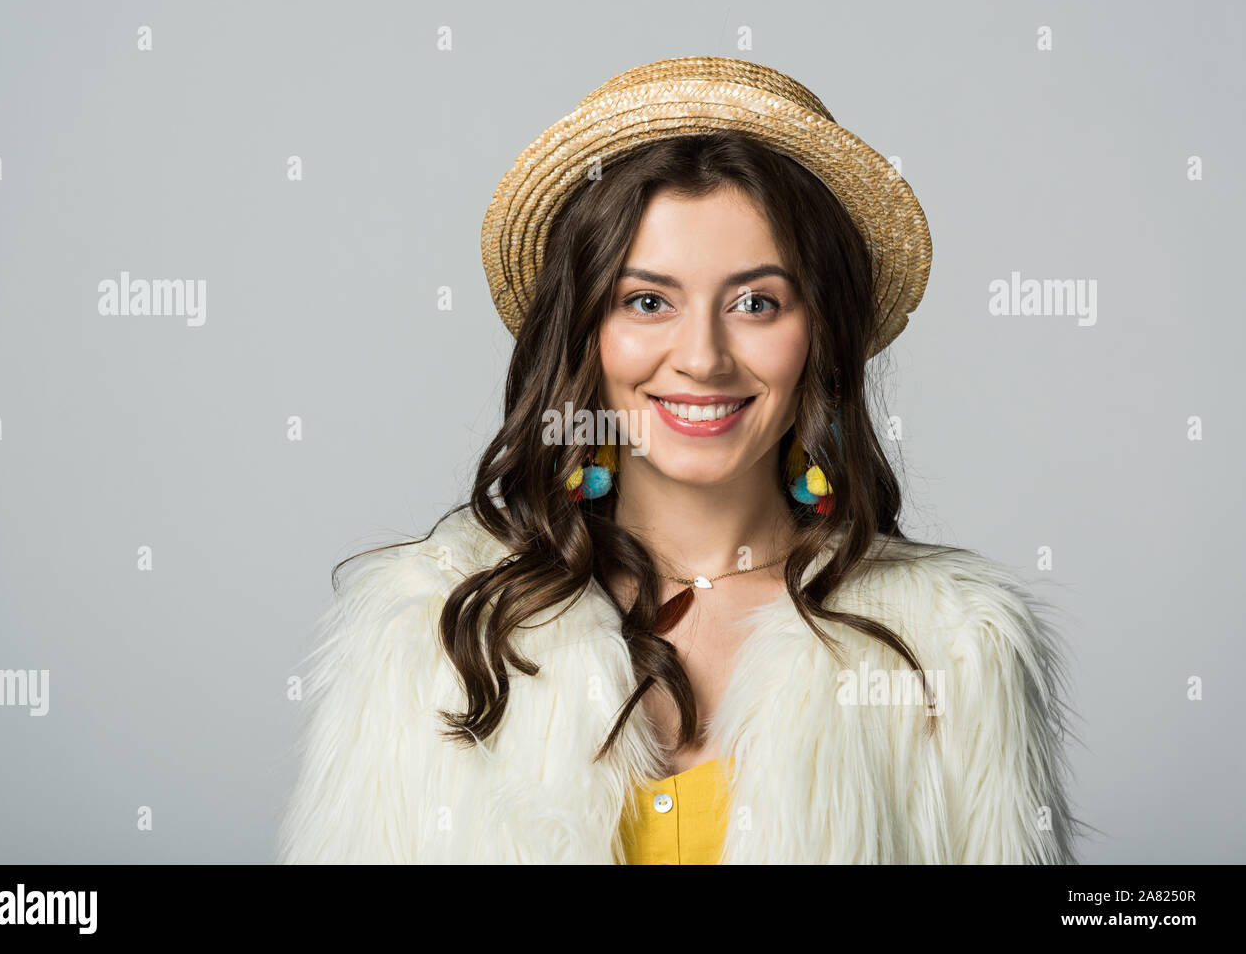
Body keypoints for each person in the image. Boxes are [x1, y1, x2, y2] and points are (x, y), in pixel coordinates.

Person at [277, 56, 1083, 864]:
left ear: (821, 336)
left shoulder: (956, 646)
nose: (701, 357)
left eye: (756, 302)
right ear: (586, 334)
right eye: (648, 300)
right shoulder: (428, 631)